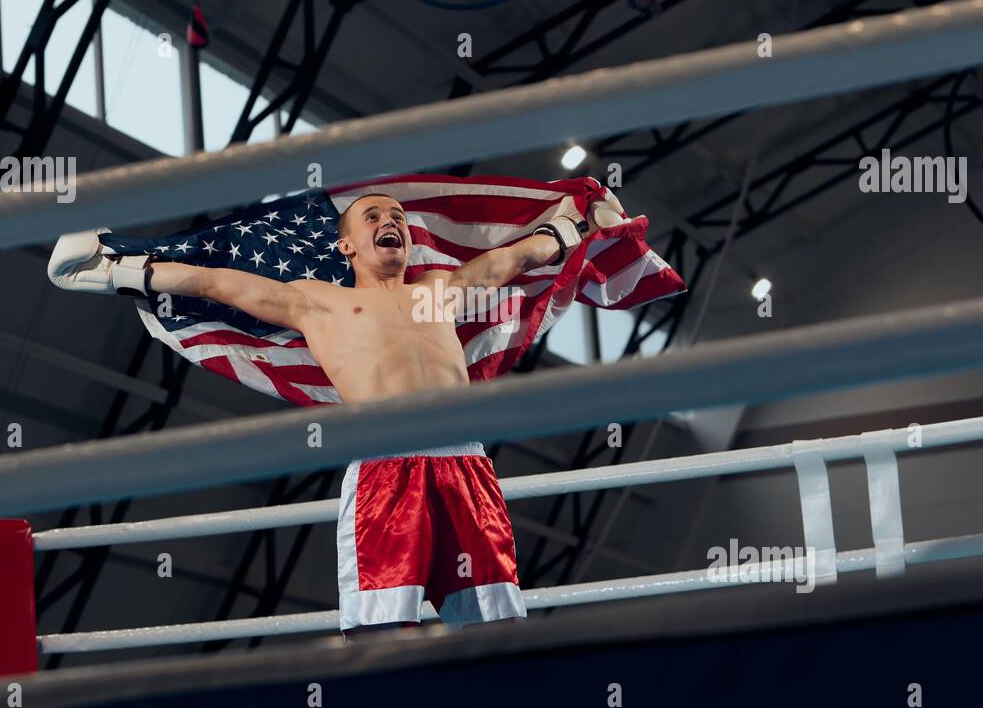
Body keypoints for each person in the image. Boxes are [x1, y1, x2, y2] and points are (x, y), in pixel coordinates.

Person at [47, 188, 624, 637]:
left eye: (396, 215)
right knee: (378, 631)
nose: (389, 222)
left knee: (496, 631)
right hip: (387, 471)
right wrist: (116, 270)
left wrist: (577, 221)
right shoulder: (317, 300)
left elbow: (512, 260)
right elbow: (215, 281)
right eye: (372, 217)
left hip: (466, 469)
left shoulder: (438, 289)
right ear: (345, 246)